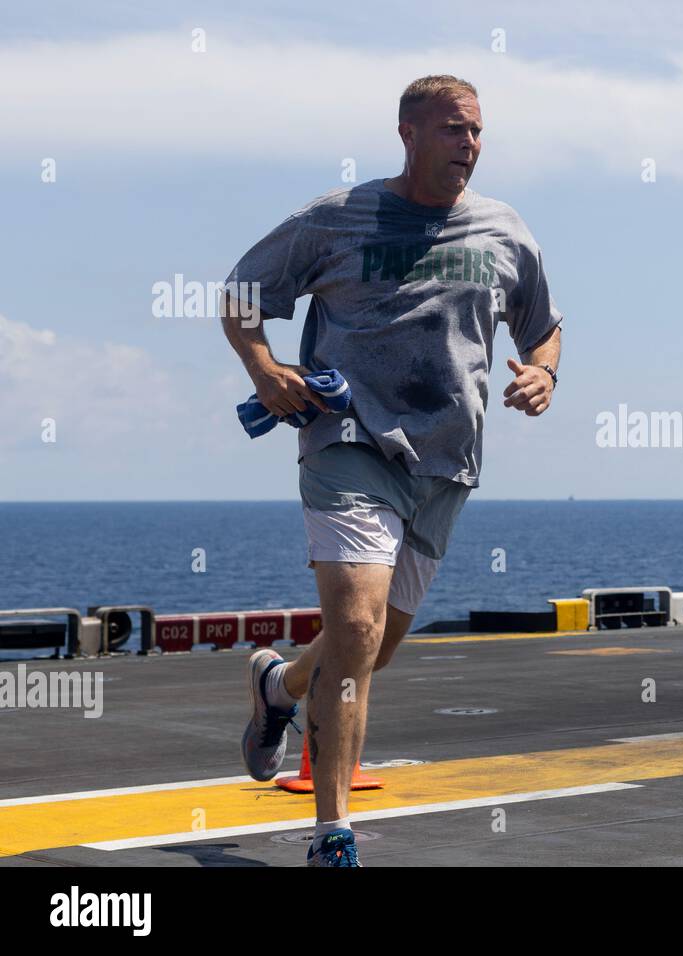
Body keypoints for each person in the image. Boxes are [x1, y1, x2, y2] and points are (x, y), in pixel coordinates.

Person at [220, 75, 563, 866]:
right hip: (349, 443)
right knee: (357, 628)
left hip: (447, 463)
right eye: (452, 130)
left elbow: (543, 328)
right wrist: (266, 369)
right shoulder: (337, 218)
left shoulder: (505, 230)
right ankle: (332, 836)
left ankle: (277, 686)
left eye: (477, 132)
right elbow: (241, 293)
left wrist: (545, 374)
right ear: (407, 134)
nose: (469, 146)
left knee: (370, 650)